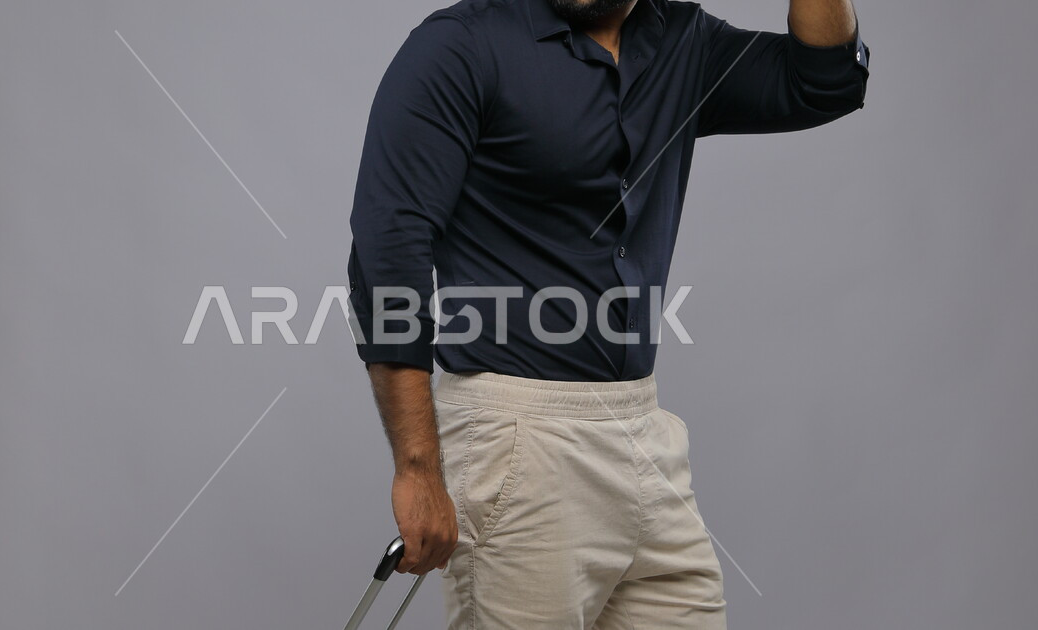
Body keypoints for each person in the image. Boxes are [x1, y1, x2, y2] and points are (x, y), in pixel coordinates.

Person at [346, 0, 869, 627]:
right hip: (516, 438)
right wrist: (417, 468)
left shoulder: (683, 41)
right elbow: (387, 252)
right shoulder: (461, 45)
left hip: (644, 433)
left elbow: (823, 81)